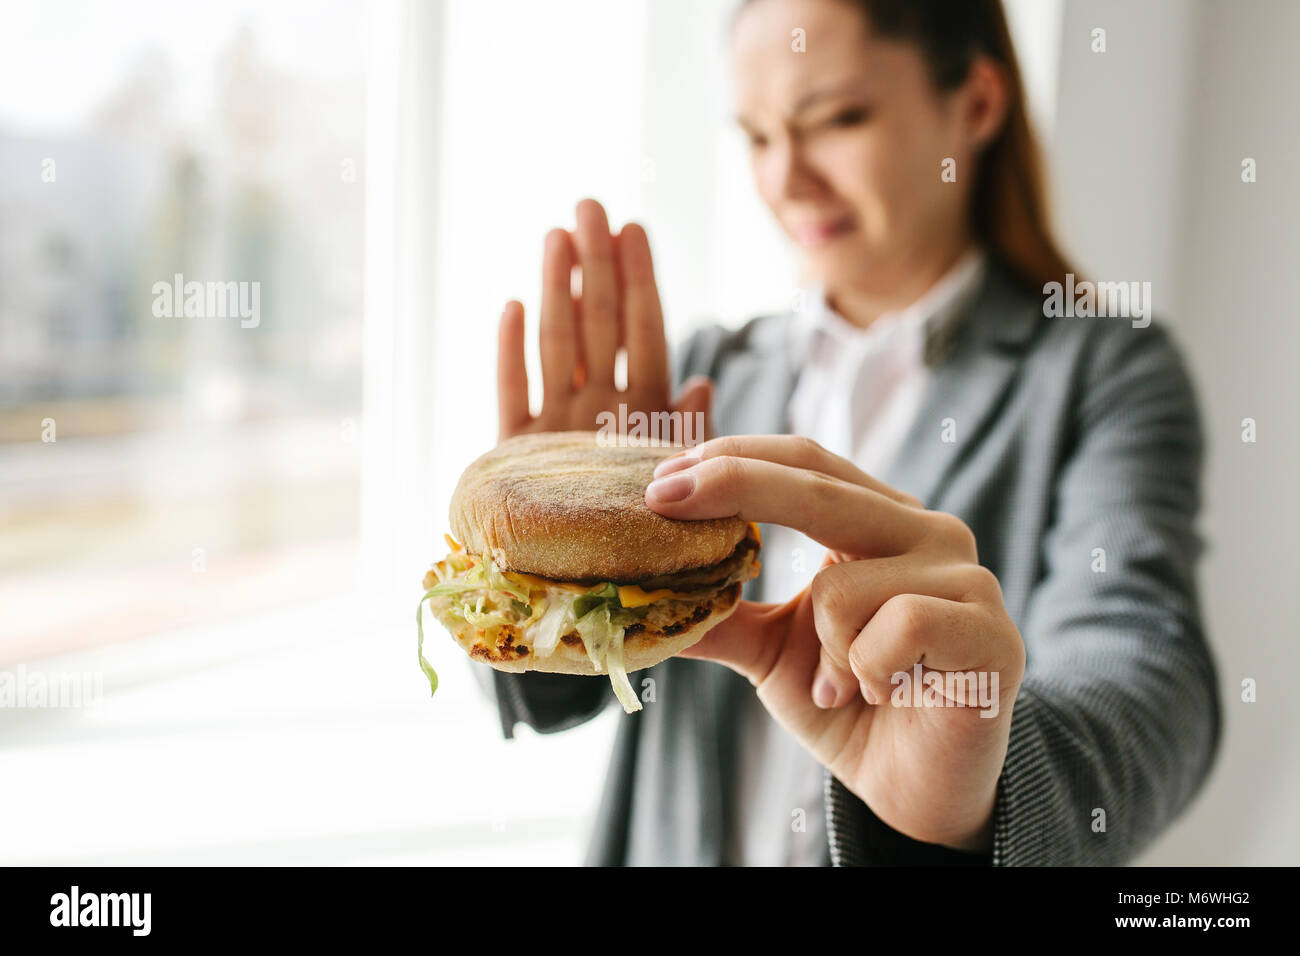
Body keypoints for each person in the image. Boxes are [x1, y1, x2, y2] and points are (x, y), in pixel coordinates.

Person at [487, 0, 1220, 865]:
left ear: (977, 104)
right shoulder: (703, 378)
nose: (785, 179)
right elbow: (560, 702)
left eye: (835, 118)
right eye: (758, 137)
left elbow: (1151, 679)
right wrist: (549, 575)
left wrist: (974, 789)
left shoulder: (1103, 375)